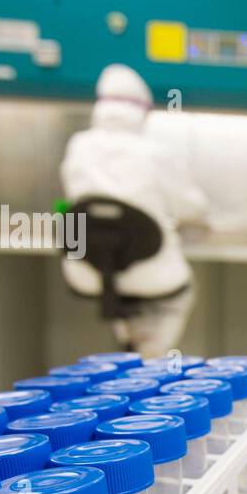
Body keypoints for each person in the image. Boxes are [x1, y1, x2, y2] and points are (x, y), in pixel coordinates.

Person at [60, 64, 208, 358]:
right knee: (179, 296)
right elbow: (190, 206)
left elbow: (73, 200)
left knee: (129, 311)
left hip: (89, 268)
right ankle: (153, 354)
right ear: (142, 111)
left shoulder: (79, 146)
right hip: (151, 269)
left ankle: (130, 351)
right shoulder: (154, 152)